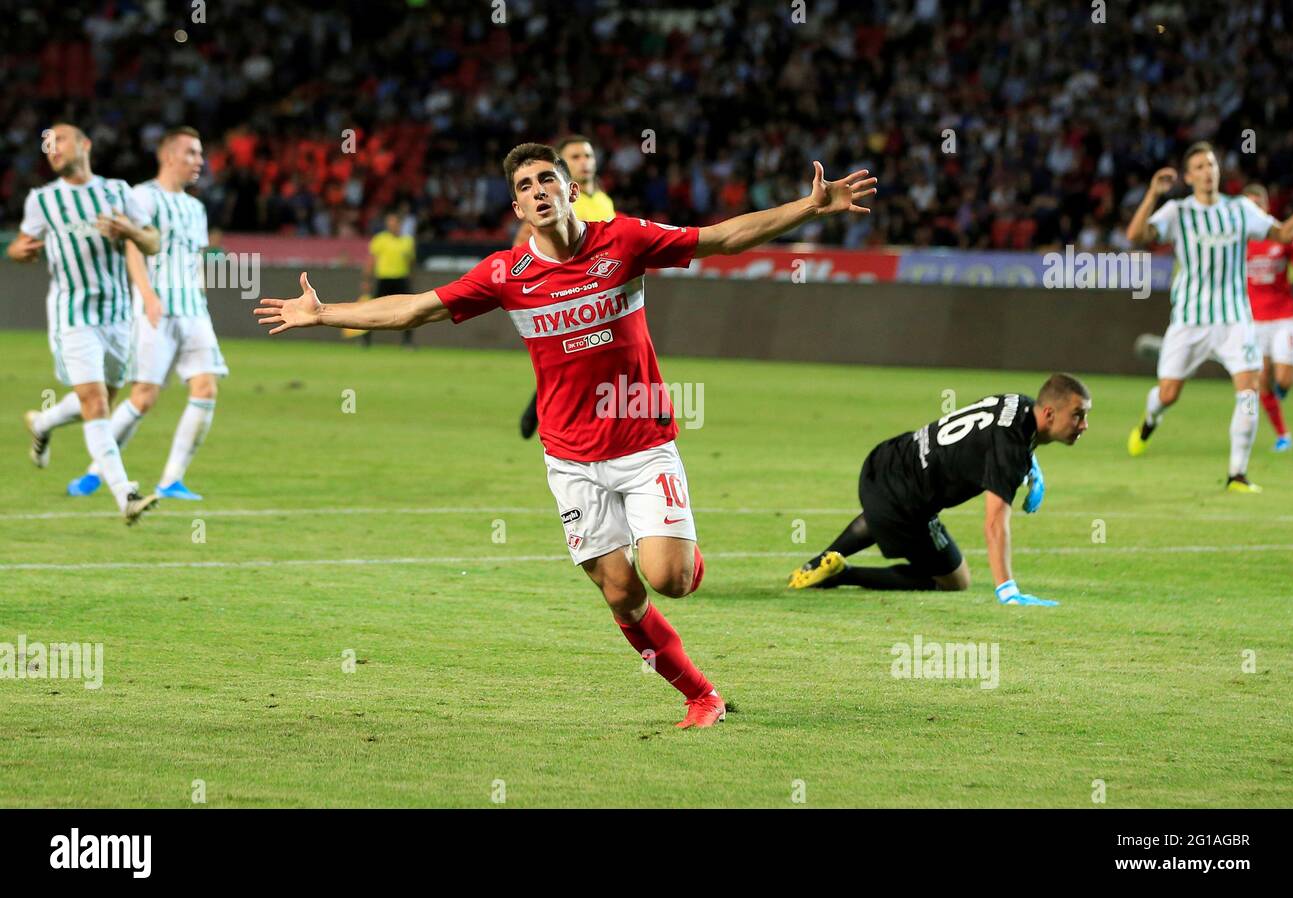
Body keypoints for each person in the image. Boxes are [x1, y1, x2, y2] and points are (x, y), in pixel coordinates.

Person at [256, 142, 876, 728]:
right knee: (619, 592)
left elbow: (720, 239)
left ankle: (679, 552)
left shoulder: (625, 240)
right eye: (525, 186)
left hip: (641, 446)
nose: (537, 190)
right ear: (518, 207)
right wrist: (325, 313)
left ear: (571, 188)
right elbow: (415, 307)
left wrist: (808, 207)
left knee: (669, 580)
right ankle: (702, 696)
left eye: (546, 178)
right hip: (571, 461)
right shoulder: (506, 273)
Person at [789, 375, 1091, 608]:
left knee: (886, 514)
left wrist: (1032, 469)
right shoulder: (1009, 449)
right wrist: (1007, 590)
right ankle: (842, 574)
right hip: (903, 500)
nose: (1084, 425)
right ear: (1050, 413)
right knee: (955, 579)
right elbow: (995, 523)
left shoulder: (1018, 402)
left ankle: (818, 563)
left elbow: (997, 437)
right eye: (1077, 415)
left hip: (884, 461)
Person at [1125, 142, 1293, 491]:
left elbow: (1281, 233)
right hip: (1190, 320)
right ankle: (1149, 420)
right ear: (1189, 177)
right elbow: (1136, 236)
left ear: (1219, 172)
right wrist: (1152, 194)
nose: (1208, 172)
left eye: (1211, 165)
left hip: (1236, 320)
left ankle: (1237, 473)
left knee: (1249, 391)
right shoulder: (1177, 211)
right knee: (1169, 393)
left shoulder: (1240, 210)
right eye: (1200, 167)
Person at [67, 126, 228, 501]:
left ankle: (171, 480)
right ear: (168, 156)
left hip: (193, 311)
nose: (199, 161)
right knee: (144, 396)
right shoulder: (142, 196)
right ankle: (96, 472)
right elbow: (133, 249)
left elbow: (195, 259)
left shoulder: (196, 207)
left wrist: (201, 296)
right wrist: (147, 295)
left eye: (201, 154)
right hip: (155, 308)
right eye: (191, 153)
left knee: (206, 388)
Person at [12, 122, 161, 524]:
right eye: (46, 144)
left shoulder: (117, 192)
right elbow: (19, 244)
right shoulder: (42, 201)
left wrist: (129, 230)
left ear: (85, 145)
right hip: (72, 316)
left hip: (116, 317)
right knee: (96, 404)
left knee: (98, 403)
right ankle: (125, 495)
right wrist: (19, 252)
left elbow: (153, 241)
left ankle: (42, 422)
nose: (52, 148)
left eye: (59, 140)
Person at [517, 135, 615, 439]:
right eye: (574, 157)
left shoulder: (604, 201)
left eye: (587, 155)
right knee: (583, 360)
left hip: (607, 295)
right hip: (570, 296)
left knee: (600, 359)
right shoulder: (558, 201)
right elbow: (523, 245)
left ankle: (542, 408)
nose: (584, 162)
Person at [1242, 183, 1293, 451]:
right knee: (1261, 379)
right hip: (1254, 321)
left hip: (1283, 318)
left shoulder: (1281, 237)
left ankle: (1284, 390)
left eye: (1258, 204)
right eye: (1248, 204)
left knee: (1285, 379)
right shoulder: (1238, 243)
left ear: (1266, 207)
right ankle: (1283, 434)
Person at [359, 212, 416, 349]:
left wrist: (411, 279)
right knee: (374, 310)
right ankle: (366, 339)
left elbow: (410, 262)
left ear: (400, 224)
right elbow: (371, 261)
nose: (392, 225)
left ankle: (407, 341)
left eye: (395, 223)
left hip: (401, 278)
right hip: (383, 278)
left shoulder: (407, 241)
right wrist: (366, 279)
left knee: (408, 311)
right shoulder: (380, 239)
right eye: (390, 223)